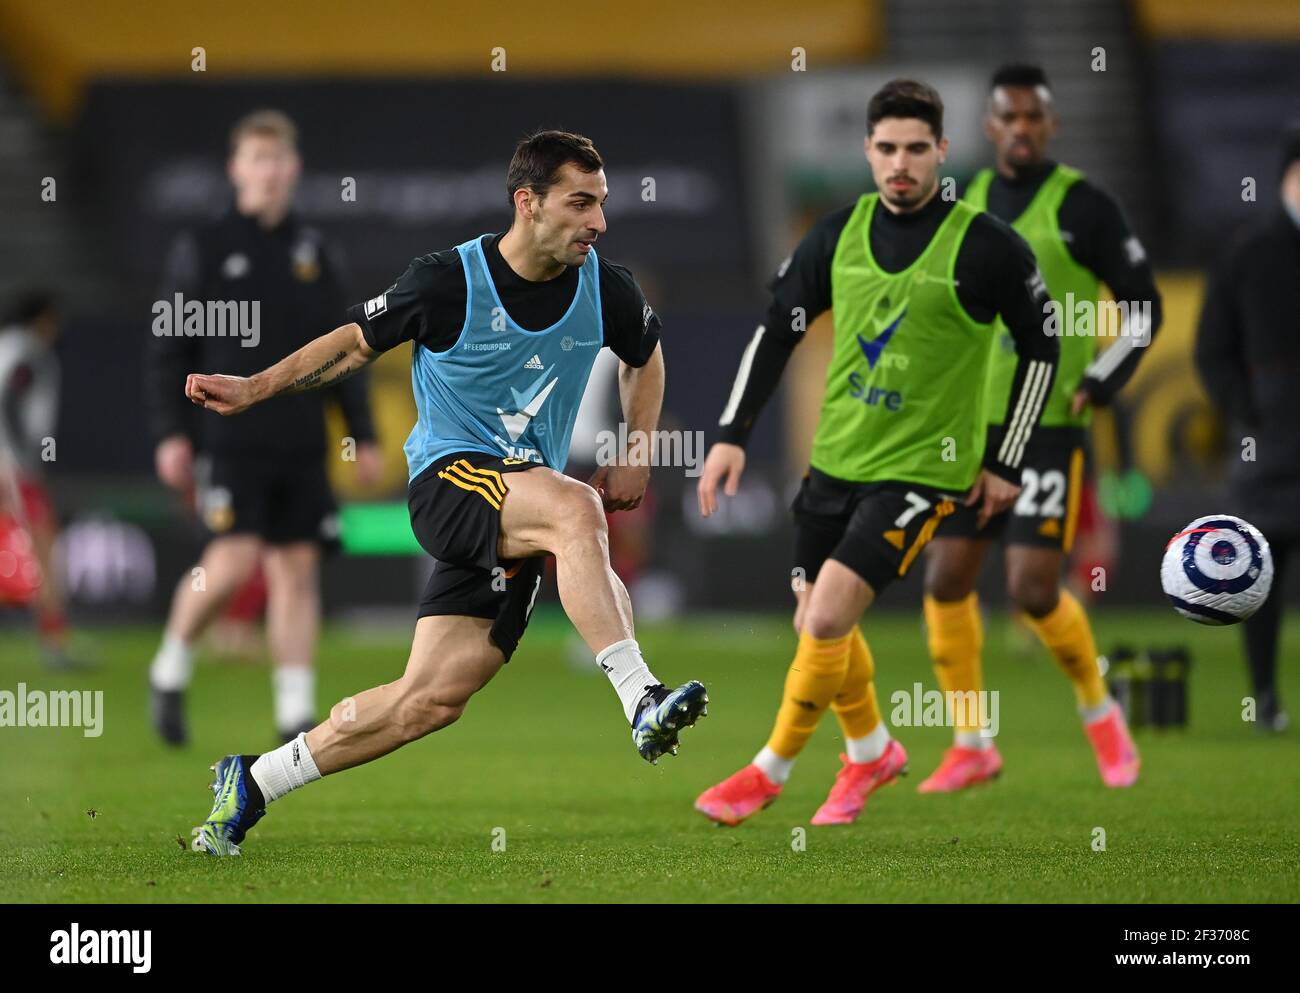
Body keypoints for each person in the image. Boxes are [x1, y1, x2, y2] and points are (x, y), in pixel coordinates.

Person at [183, 130, 706, 856]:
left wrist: (639, 451)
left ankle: (254, 781)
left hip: (520, 509)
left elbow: (644, 358)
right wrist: (256, 386)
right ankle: (641, 694)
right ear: (527, 203)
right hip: (452, 482)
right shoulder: (448, 279)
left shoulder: (606, 287)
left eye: (603, 204)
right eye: (580, 203)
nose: (599, 222)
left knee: (428, 699)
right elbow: (351, 342)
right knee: (575, 508)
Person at [693, 80, 1058, 826]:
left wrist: (1006, 459)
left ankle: (768, 770)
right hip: (834, 463)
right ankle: (871, 751)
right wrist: (732, 432)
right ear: (867, 151)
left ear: (942, 153)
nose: (900, 163)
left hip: (923, 471)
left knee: (826, 617)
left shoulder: (986, 246)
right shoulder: (836, 235)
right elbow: (778, 330)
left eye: (916, 149)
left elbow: (1042, 346)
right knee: (817, 627)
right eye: (886, 148)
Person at [917, 64, 1160, 790]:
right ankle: (971, 740)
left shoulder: (1085, 206)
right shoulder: (961, 203)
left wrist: (1100, 379)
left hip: (1049, 423)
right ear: (988, 129)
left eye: (1033, 118)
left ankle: (1100, 712)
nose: (1021, 129)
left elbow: (1144, 308)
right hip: (969, 429)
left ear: (1050, 125)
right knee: (947, 577)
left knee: (1030, 587)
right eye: (1008, 118)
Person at [144, 109, 381, 746]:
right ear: (236, 168)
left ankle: (294, 715)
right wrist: (172, 432)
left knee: (297, 571)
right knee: (230, 562)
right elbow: (170, 345)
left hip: (301, 438)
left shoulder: (315, 252)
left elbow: (346, 351)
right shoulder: (205, 248)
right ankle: (169, 667)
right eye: (257, 159)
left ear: (293, 169)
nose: (269, 172)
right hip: (230, 437)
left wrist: (363, 434)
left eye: (278, 160)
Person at [1194, 121, 1300, 734]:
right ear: (1285, 178)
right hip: (1269, 449)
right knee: (1259, 577)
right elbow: (1212, 349)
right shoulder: (1247, 252)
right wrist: (1248, 409)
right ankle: (1264, 696)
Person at [0, 290, 86, 668]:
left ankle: (55, 641)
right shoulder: (30, 350)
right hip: (13, 469)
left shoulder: (6, 345)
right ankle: (54, 645)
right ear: (42, 319)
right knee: (46, 552)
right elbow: (9, 397)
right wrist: (19, 460)